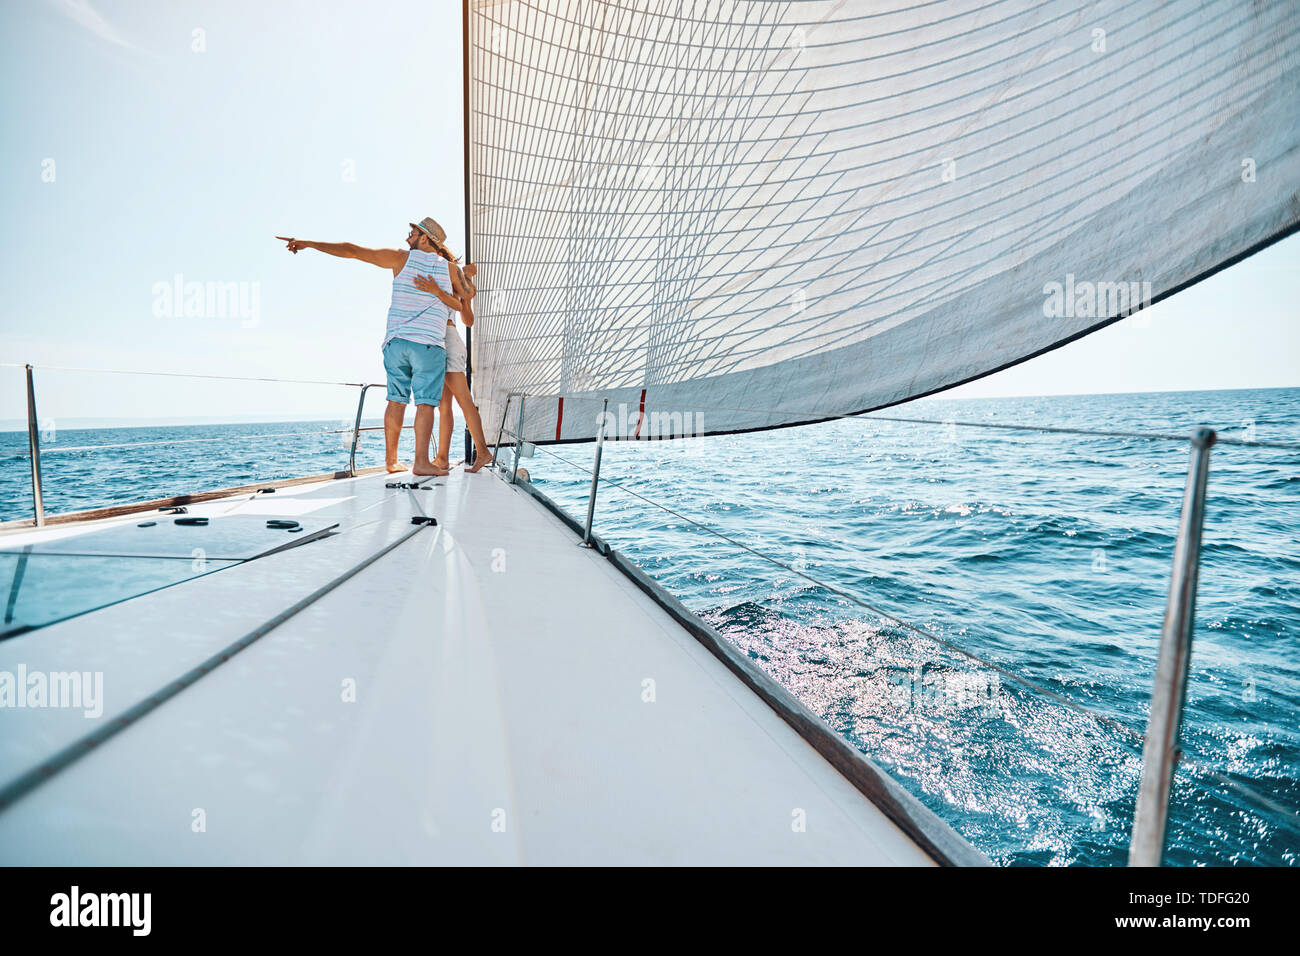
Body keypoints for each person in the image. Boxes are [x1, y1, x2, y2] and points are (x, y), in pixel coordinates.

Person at [276, 218, 461, 476]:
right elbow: (464, 302)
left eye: (413, 233)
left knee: (396, 400)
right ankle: (421, 462)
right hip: (428, 345)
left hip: (396, 344)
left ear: (425, 238)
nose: (408, 237)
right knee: (425, 404)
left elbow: (352, 250)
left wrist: (307, 243)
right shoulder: (451, 269)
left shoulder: (399, 259)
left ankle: (392, 461)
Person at [412, 261, 493, 472]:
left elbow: (469, 319)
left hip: (448, 342)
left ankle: (483, 452)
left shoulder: (451, 280)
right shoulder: (446, 280)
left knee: (464, 400)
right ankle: (442, 458)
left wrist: (467, 279)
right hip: (442, 342)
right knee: (444, 406)